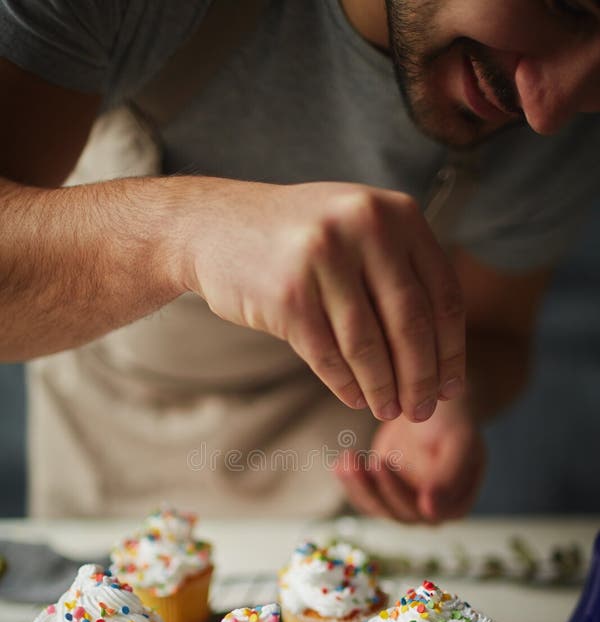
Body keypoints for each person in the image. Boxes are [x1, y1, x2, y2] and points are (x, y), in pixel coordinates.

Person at [0, 0, 599, 521]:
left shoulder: (566, 129)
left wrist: (447, 399)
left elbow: (495, 330)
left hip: (341, 467)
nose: (548, 110)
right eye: (566, 8)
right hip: (107, 447)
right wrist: (187, 230)